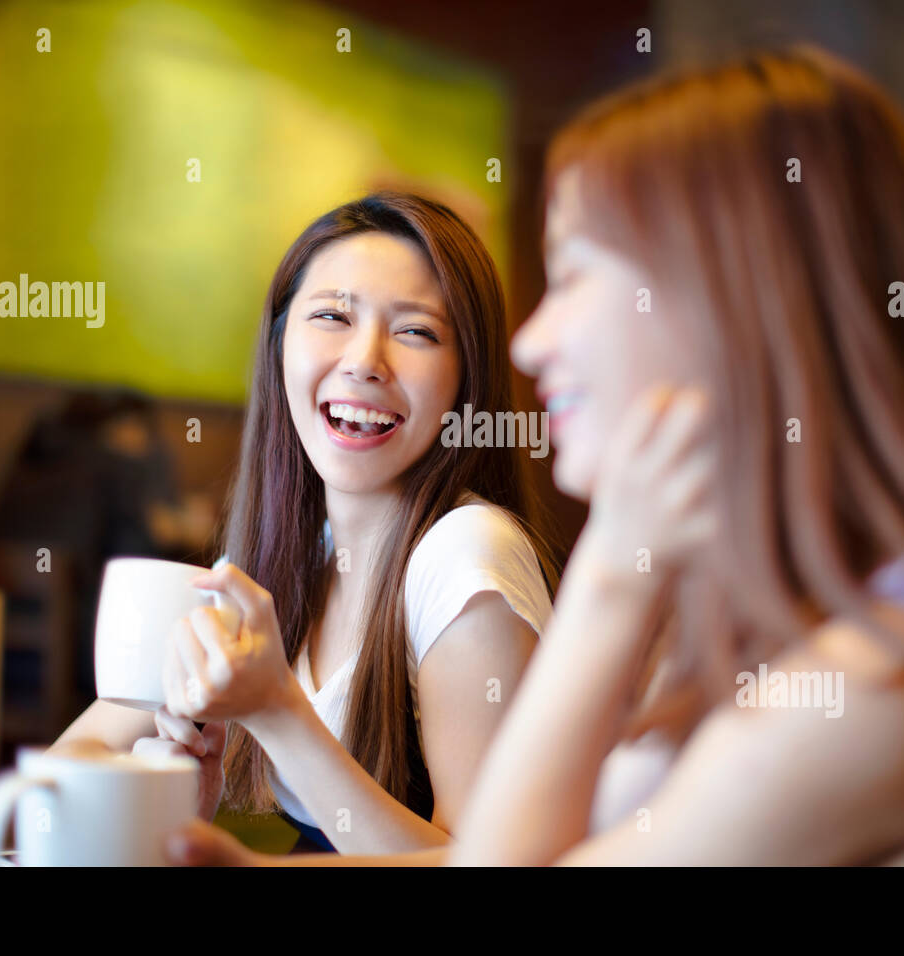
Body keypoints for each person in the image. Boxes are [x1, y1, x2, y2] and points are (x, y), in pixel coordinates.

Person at [167, 46, 904, 867]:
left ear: (730, 308)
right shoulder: (776, 629)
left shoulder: (880, 687)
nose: (528, 342)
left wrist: (610, 575)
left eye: (579, 273)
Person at [53, 192, 556, 855]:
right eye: (331, 316)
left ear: (467, 379)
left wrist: (276, 712)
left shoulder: (466, 556)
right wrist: (164, 790)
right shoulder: (297, 549)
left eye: (416, 331)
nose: (364, 360)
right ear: (280, 344)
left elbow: (485, 862)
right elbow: (74, 761)